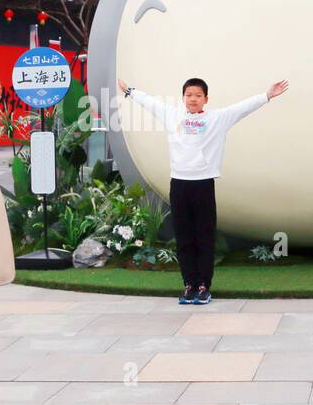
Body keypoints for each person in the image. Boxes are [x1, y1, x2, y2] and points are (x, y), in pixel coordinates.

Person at [118, 75, 289, 304]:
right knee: (185, 237)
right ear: (183, 97)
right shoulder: (172, 115)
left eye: (198, 95)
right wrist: (130, 91)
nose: (193, 99)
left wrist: (267, 95)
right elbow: (151, 103)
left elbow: (242, 108)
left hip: (203, 184)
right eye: (189, 95)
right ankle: (189, 285)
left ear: (206, 99)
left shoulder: (217, 118)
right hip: (179, 184)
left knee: (204, 236)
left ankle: (203, 286)